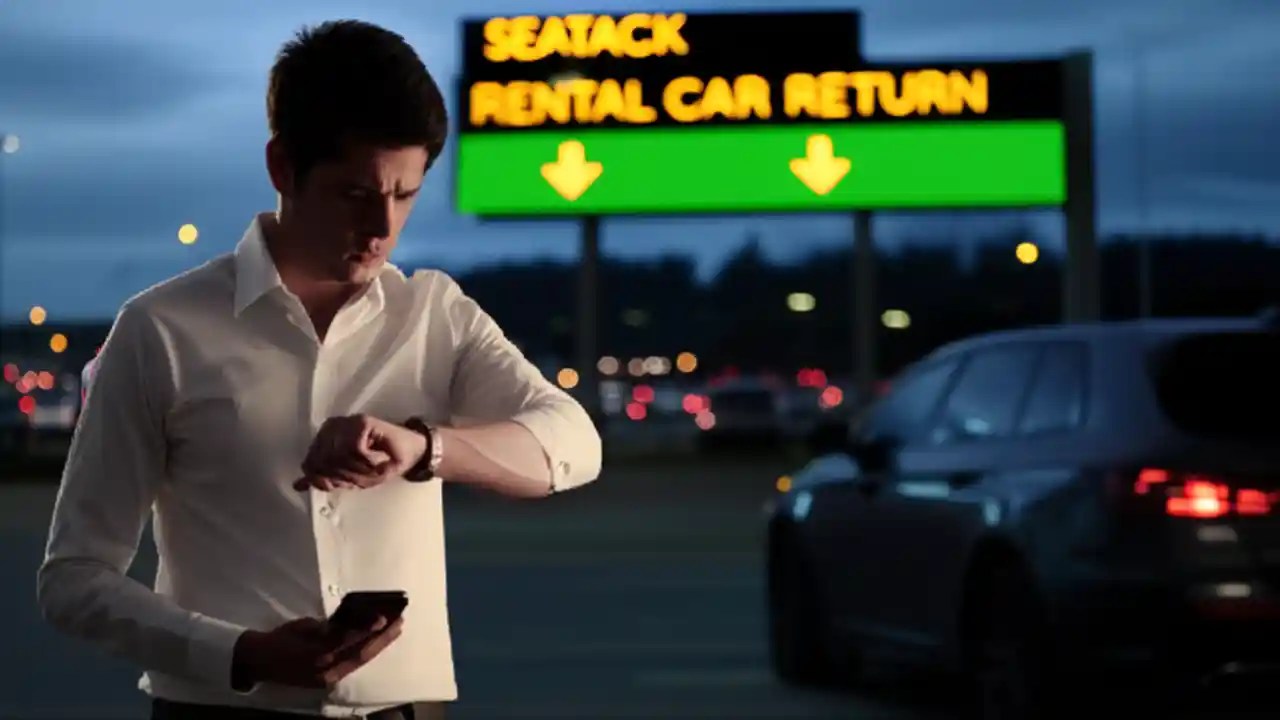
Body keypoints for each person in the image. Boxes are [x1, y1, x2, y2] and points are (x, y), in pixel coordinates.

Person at [37, 19, 602, 720]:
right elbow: (73, 579)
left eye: (406, 194)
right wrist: (240, 653)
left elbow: (574, 444)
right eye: (357, 194)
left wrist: (424, 448)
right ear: (282, 168)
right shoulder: (161, 330)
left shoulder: (436, 314)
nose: (382, 228)